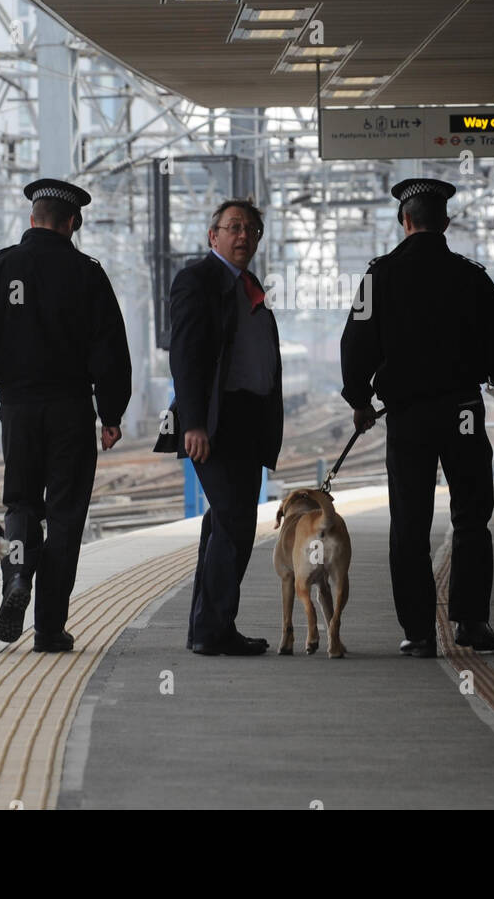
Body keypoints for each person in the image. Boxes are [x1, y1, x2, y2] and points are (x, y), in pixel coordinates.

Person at [0, 178, 131, 654]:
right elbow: (111, 350)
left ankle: (19, 571)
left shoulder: (1, 267)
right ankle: (49, 628)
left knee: (22, 505)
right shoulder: (88, 273)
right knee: (66, 518)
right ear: (73, 223)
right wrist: (110, 413)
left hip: (19, 410)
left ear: (32, 219)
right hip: (71, 411)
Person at [340, 177, 494, 657]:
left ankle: (420, 633)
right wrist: (493, 373)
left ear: (405, 221)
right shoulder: (470, 276)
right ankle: (472, 623)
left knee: (409, 523)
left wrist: (360, 400)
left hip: (407, 417)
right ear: (445, 221)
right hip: (462, 411)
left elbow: (354, 344)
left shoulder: (377, 277)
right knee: (471, 517)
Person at [168, 198, 283, 656]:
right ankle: (214, 630)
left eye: (251, 229)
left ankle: (207, 627)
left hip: (247, 422)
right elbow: (186, 355)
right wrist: (193, 423)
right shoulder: (196, 281)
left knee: (222, 524)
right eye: (233, 227)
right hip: (216, 423)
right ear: (212, 236)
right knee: (235, 524)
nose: (242, 236)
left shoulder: (248, 283)